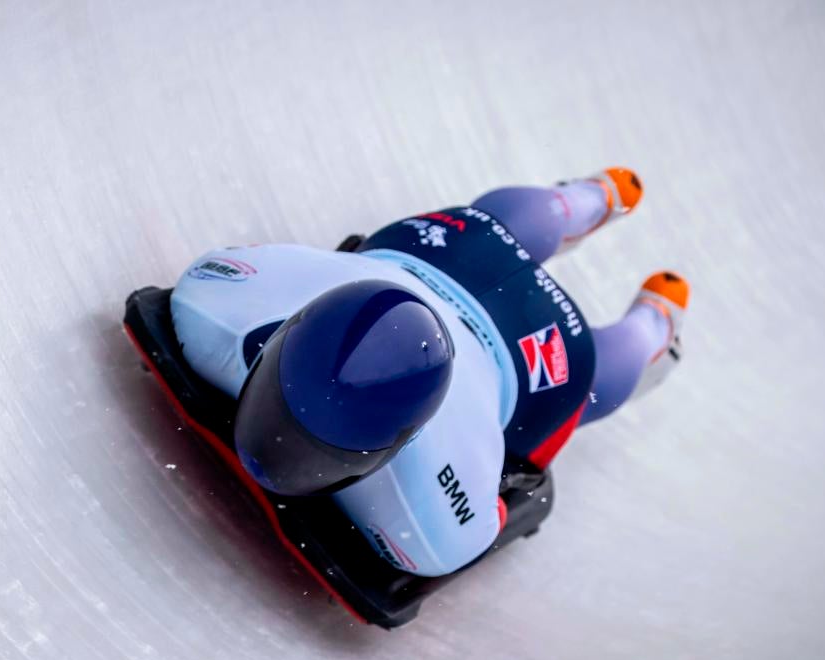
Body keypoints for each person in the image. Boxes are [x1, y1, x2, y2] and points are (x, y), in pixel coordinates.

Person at [169, 168, 689, 577]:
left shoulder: (213, 306)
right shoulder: (424, 528)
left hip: (504, 338)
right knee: (496, 232)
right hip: (465, 266)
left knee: (586, 378)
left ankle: (646, 316)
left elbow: (480, 523)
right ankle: (604, 227)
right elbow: (491, 520)